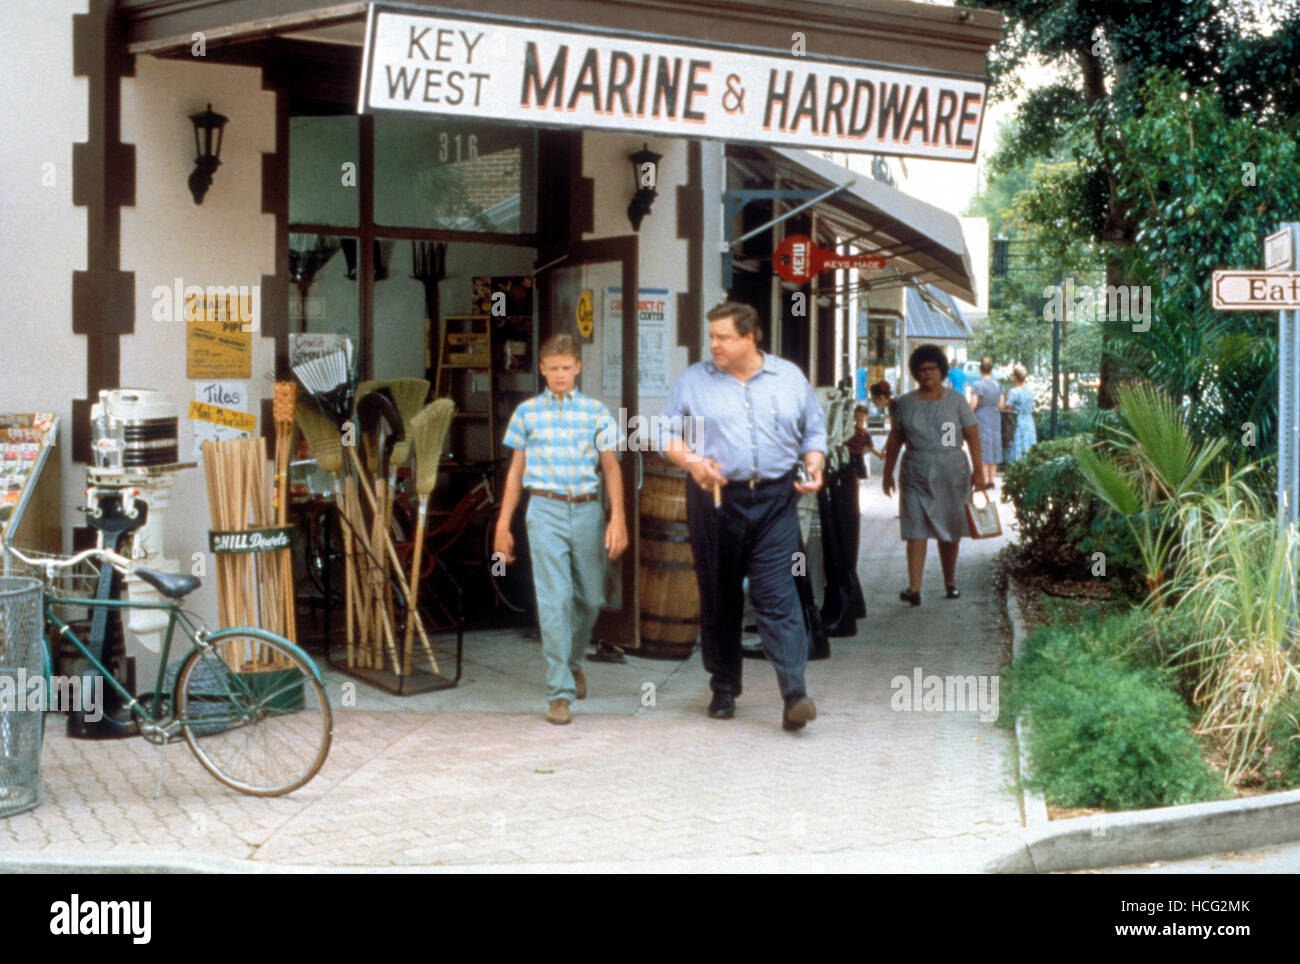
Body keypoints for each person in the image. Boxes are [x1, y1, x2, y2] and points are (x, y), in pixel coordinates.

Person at [660, 301, 826, 732]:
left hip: (775, 499)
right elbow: (664, 434)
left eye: (723, 337)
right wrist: (693, 462)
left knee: (778, 594)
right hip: (715, 498)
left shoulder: (789, 377)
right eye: (711, 336)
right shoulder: (693, 381)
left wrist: (814, 464)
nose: (713, 344)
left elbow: (813, 429)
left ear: (750, 338)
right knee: (719, 593)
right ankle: (723, 684)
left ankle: (794, 693)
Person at [495, 333, 628, 725]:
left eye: (566, 368)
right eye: (552, 368)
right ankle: (559, 693)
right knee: (554, 601)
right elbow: (516, 471)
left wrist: (617, 517)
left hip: (587, 511)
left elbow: (611, 467)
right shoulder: (527, 413)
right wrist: (504, 525)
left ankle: (572, 662)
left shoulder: (596, 412)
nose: (559, 375)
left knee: (591, 597)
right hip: (545, 510)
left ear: (578, 368)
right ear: (542, 369)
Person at [880, 344, 989, 604]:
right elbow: (895, 438)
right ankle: (914, 588)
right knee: (915, 527)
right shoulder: (905, 403)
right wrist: (887, 473)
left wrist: (979, 473)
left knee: (949, 528)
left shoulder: (956, 401)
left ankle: (950, 582)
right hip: (915, 470)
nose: (927, 374)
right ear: (915, 374)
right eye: (921, 370)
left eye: (932, 369)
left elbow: (972, 435)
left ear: (941, 371)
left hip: (951, 470)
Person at [968, 356, 1003, 487]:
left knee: (982, 446)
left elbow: (973, 404)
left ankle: (982, 478)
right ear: (991, 370)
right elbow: (1001, 404)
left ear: (980, 370)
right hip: (994, 416)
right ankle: (991, 479)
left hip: (981, 416)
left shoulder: (977, 385)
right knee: (994, 446)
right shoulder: (997, 385)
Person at [1004, 364, 1038, 463]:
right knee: (1028, 446)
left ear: (1015, 377)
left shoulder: (1013, 392)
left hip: (1017, 421)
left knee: (1017, 448)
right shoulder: (1030, 391)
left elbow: (1008, 409)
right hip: (1029, 420)